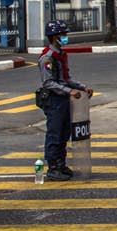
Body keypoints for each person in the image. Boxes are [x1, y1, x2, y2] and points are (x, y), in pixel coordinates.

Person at [39, 20, 92, 179]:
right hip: (54, 101)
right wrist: (69, 91)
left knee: (64, 133)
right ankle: (53, 167)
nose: (65, 37)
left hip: (64, 100)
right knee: (54, 134)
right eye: (63, 34)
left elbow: (65, 78)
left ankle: (61, 164)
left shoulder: (61, 54)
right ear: (55, 37)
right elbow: (48, 83)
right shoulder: (47, 58)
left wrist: (82, 87)